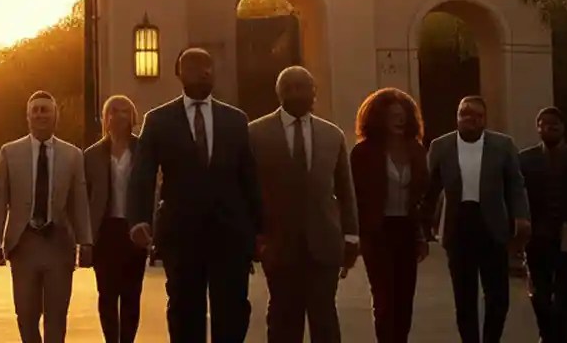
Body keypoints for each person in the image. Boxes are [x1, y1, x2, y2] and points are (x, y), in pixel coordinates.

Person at [127, 47, 261, 343]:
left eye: (208, 67)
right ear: (179, 74)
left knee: (233, 310)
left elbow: (249, 178)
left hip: (230, 234)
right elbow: (142, 174)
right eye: (194, 66)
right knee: (185, 311)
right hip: (181, 233)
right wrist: (137, 219)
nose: (203, 72)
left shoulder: (235, 120)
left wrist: (259, 230)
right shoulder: (159, 120)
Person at [248, 65, 359, 343]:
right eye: (289, 87)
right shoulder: (255, 134)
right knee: (284, 321)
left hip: (324, 243)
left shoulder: (332, 135)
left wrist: (351, 235)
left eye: (303, 87)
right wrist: (255, 239)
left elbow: (346, 190)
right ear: (279, 93)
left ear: (314, 92)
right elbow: (247, 190)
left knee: (325, 320)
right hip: (278, 246)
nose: (296, 93)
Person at [422, 95, 531, 343]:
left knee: (498, 297)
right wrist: (422, 224)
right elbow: (429, 189)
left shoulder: (503, 145)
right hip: (458, 228)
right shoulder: (441, 146)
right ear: (457, 116)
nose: (471, 119)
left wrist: (521, 216)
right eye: (465, 113)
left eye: (477, 115)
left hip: (492, 227)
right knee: (464, 297)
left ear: (485, 119)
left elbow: (515, 184)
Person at [0, 90, 94, 343]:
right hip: (23, 244)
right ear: (27, 117)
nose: (40, 115)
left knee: (57, 315)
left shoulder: (72, 155)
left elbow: (79, 201)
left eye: (45, 109)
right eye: (35, 110)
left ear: (56, 115)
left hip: (58, 243)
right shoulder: (10, 153)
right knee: (25, 313)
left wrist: (86, 240)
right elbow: (0, 198)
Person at [349, 88, 430, 343]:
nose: (399, 120)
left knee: (404, 301)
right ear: (378, 118)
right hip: (377, 232)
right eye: (392, 115)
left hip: (406, 230)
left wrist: (421, 235)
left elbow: (421, 197)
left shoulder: (416, 150)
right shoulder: (363, 152)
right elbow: (353, 197)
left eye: (403, 114)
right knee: (384, 302)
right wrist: (354, 235)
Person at [519, 107, 567, 343]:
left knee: (566, 297)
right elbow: (518, 200)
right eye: (544, 124)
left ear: (563, 128)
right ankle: (549, 335)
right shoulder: (525, 159)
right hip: (537, 238)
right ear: (538, 127)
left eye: (555, 125)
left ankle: (561, 338)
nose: (549, 128)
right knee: (539, 296)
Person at [83, 95, 148, 343]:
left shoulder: (143, 150)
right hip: (106, 232)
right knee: (107, 295)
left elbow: (155, 189)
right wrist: (85, 239)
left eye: (124, 111)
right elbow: (84, 199)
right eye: (113, 111)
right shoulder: (92, 156)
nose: (118, 115)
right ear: (105, 118)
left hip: (135, 229)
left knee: (132, 294)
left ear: (133, 117)